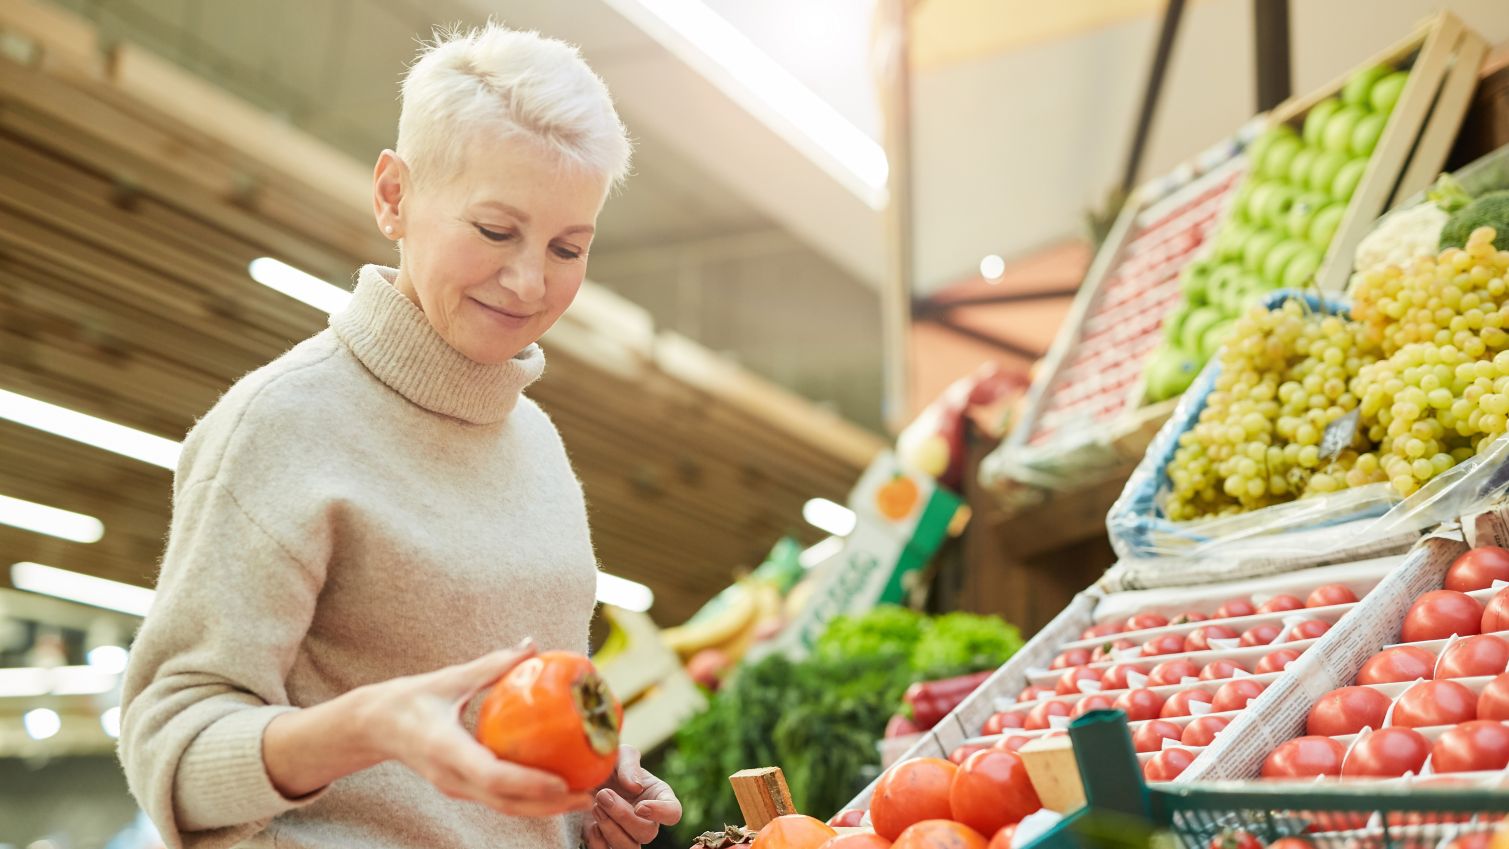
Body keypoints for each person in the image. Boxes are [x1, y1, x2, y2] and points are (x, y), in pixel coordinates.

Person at [117, 22, 681, 849]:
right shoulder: (278, 425)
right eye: (495, 230)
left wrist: (585, 797)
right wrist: (372, 726)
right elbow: (171, 749)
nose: (530, 280)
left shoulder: (540, 448)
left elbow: (510, 740)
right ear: (393, 197)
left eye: (568, 247)